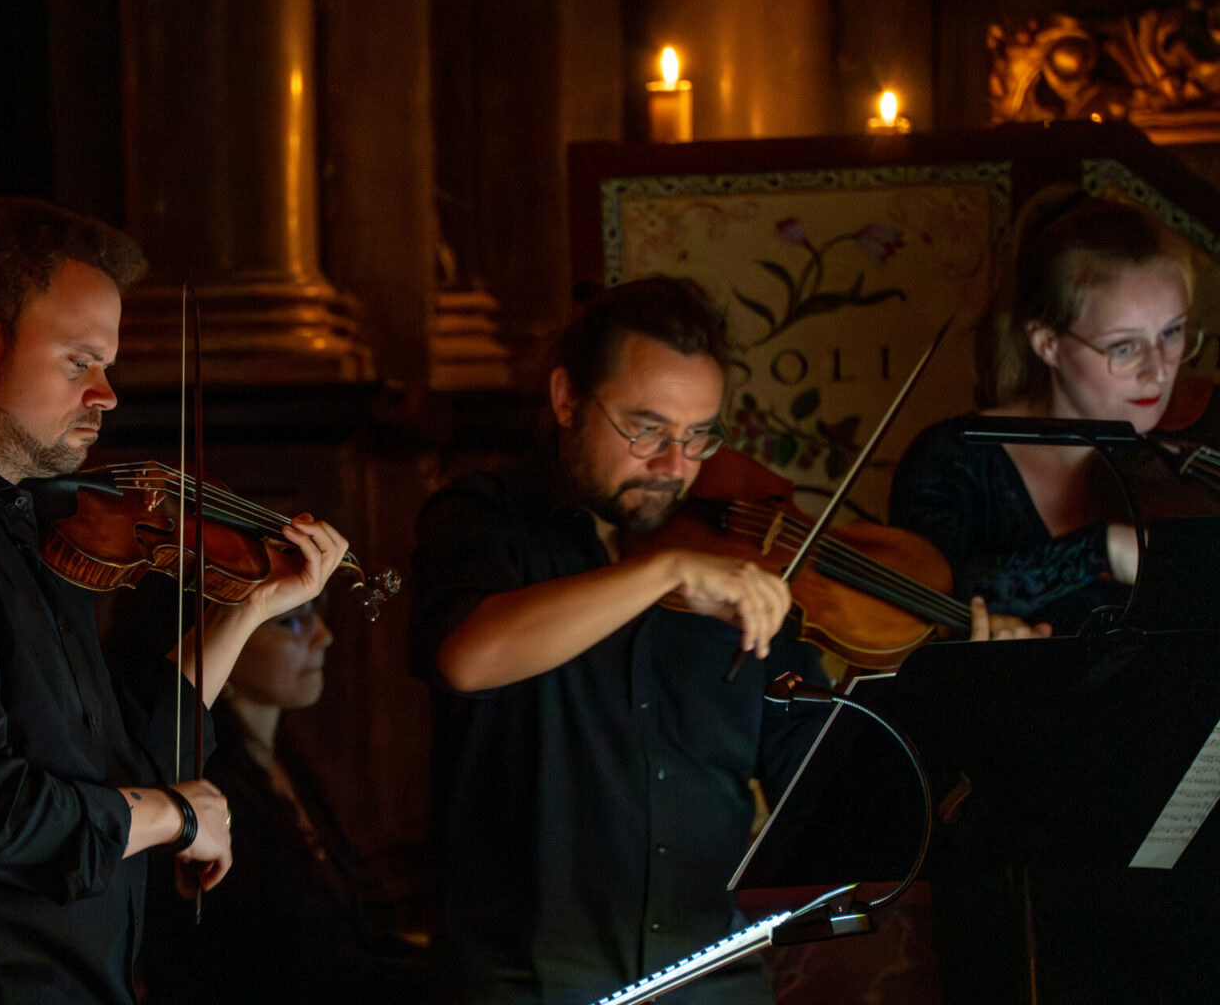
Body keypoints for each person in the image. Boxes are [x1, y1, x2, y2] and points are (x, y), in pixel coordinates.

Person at [0, 197, 347, 1004]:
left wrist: (253, 604)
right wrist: (176, 818)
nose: (107, 394)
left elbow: (123, 752)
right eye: (79, 361)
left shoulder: (32, 528)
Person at [409, 276, 832, 1005]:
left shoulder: (733, 555)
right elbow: (468, 657)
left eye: (699, 434)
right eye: (646, 428)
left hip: (713, 981)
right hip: (530, 982)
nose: (674, 465)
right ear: (568, 398)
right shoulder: (483, 522)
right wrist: (662, 572)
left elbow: (811, 767)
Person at [889, 187, 1204, 632]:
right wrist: (1101, 548)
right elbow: (926, 595)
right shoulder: (950, 460)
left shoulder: (1190, 458)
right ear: (1047, 343)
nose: (1158, 371)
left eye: (1172, 333)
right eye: (1124, 347)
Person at [141, 596, 431, 1003]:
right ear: (219, 641)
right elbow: (282, 968)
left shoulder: (286, 762)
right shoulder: (207, 787)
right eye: (291, 622)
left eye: (315, 617)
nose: (324, 638)